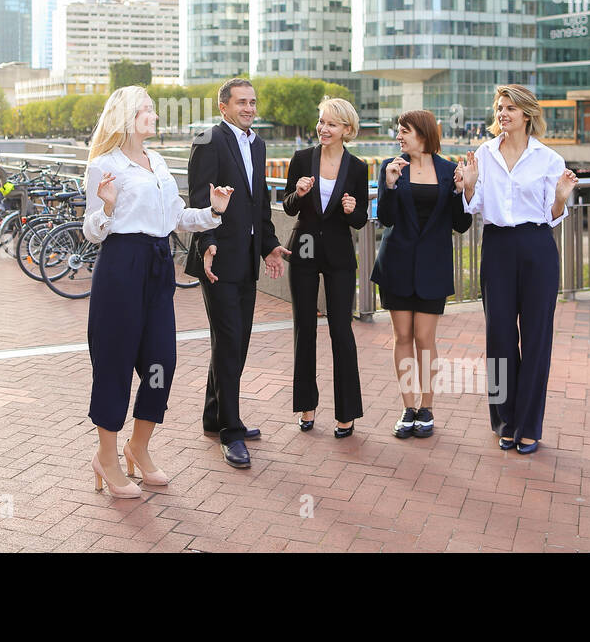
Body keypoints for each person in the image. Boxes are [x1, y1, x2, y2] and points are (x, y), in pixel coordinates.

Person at [82, 86, 231, 497]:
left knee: (161, 361)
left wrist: (213, 212)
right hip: (121, 264)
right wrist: (108, 207)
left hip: (157, 263)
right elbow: (91, 230)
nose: (154, 115)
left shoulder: (158, 161)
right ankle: (107, 458)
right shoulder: (104, 164)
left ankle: (139, 447)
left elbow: (176, 216)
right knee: (113, 363)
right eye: (146, 109)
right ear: (127, 117)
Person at [456, 84, 578, 455]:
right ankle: (503, 422)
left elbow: (553, 216)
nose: (502, 113)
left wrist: (559, 199)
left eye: (509, 108)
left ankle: (528, 425)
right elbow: (472, 207)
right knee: (499, 339)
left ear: (527, 114)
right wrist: (468, 187)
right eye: (499, 107)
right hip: (496, 247)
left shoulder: (548, 159)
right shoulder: (484, 153)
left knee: (537, 339)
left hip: (537, 247)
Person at [186, 77, 289, 469]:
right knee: (230, 341)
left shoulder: (257, 144)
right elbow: (199, 198)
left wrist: (268, 245)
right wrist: (208, 241)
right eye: (241, 102)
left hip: (245, 258)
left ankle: (215, 415)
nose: (249, 108)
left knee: (237, 340)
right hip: (217, 259)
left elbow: (258, 201)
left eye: (253, 102)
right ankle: (230, 430)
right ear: (223, 106)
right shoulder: (209, 141)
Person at [371, 109, 472, 441]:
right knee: (402, 338)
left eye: (405, 130)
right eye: (398, 131)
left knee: (425, 339)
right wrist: (387, 185)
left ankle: (427, 408)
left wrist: (461, 192)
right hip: (396, 263)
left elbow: (460, 224)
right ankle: (408, 408)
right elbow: (384, 218)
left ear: (424, 134)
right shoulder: (392, 166)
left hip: (433, 266)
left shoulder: (448, 170)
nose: (399, 136)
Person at [281, 97, 369, 438]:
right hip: (303, 249)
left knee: (341, 332)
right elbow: (288, 207)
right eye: (321, 122)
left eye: (332, 124)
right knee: (304, 327)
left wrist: (352, 209)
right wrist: (300, 192)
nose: (323, 128)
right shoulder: (302, 159)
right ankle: (307, 405)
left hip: (339, 255)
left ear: (347, 129)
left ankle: (346, 413)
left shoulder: (358, 168)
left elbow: (361, 219)